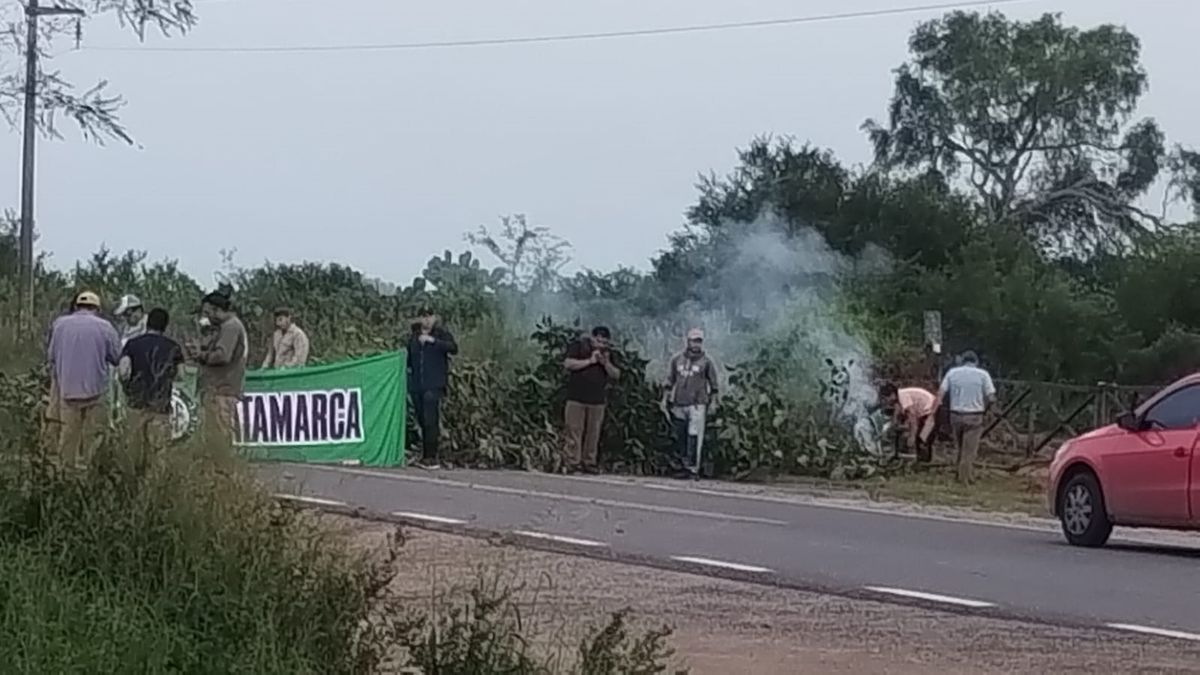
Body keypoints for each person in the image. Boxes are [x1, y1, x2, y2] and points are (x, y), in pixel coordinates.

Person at [46, 291, 121, 468]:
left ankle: (65, 475)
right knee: (94, 437)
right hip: (96, 393)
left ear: (77, 306)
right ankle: (91, 476)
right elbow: (116, 357)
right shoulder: (105, 327)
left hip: (67, 391)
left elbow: (51, 357)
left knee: (68, 437)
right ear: (97, 308)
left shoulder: (59, 325)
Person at [118, 308, 184, 473]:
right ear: (165, 326)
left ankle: (131, 487)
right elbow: (181, 375)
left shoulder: (132, 344)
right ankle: (155, 488)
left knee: (133, 450)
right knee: (158, 452)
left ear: (147, 323)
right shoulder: (173, 347)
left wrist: (127, 386)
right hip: (160, 406)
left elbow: (123, 371)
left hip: (135, 404)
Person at [662, 329, 720, 477]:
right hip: (679, 403)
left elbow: (714, 385)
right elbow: (670, 380)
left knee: (694, 436)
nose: (696, 344)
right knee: (680, 434)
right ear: (688, 341)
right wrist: (665, 398)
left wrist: (713, 403)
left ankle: (693, 468)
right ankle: (681, 464)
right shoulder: (677, 360)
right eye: (694, 341)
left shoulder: (706, 362)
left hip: (698, 404)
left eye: (699, 341)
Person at [562, 326, 620, 474]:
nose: (600, 343)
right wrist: (590, 361)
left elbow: (616, 374)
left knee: (593, 433)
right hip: (576, 397)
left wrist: (605, 363)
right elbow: (568, 364)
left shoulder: (608, 354)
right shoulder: (579, 346)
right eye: (597, 339)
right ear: (592, 337)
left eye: (603, 341)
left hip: (597, 400)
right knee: (574, 430)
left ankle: (589, 462)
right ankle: (572, 462)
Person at [193, 291, 248, 447]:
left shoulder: (230, 327)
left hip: (222, 389)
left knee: (220, 433)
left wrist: (202, 356)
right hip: (218, 389)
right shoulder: (224, 327)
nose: (207, 317)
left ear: (217, 310)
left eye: (209, 312)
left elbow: (223, 355)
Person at [406, 308, 458, 469]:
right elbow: (409, 359)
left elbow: (453, 348)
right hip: (417, 385)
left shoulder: (441, 334)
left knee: (431, 420)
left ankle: (431, 458)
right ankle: (425, 455)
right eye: (424, 317)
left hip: (434, 384)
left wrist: (433, 341)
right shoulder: (413, 337)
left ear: (435, 318)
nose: (427, 320)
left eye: (430, 316)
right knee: (422, 420)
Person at [935, 350, 996, 484]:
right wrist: (985, 410)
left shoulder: (952, 373)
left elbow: (941, 392)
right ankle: (964, 479)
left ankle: (962, 475)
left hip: (955, 415)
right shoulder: (983, 375)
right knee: (969, 451)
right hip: (974, 415)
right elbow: (991, 398)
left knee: (959, 447)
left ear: (962, 361)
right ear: (976, 361)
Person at [879, 382, 937, 461]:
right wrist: (889, 429)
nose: (886, 401)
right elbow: (896, 416)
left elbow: (913, 418)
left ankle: (924, 462)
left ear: (892, 394)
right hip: (923, 412)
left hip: (931, 409)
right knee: (918, 438)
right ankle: (920, 459)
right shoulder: (897, 400)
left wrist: (912, 436)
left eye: (886, 398)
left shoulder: (903, 396)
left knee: (923, 437)